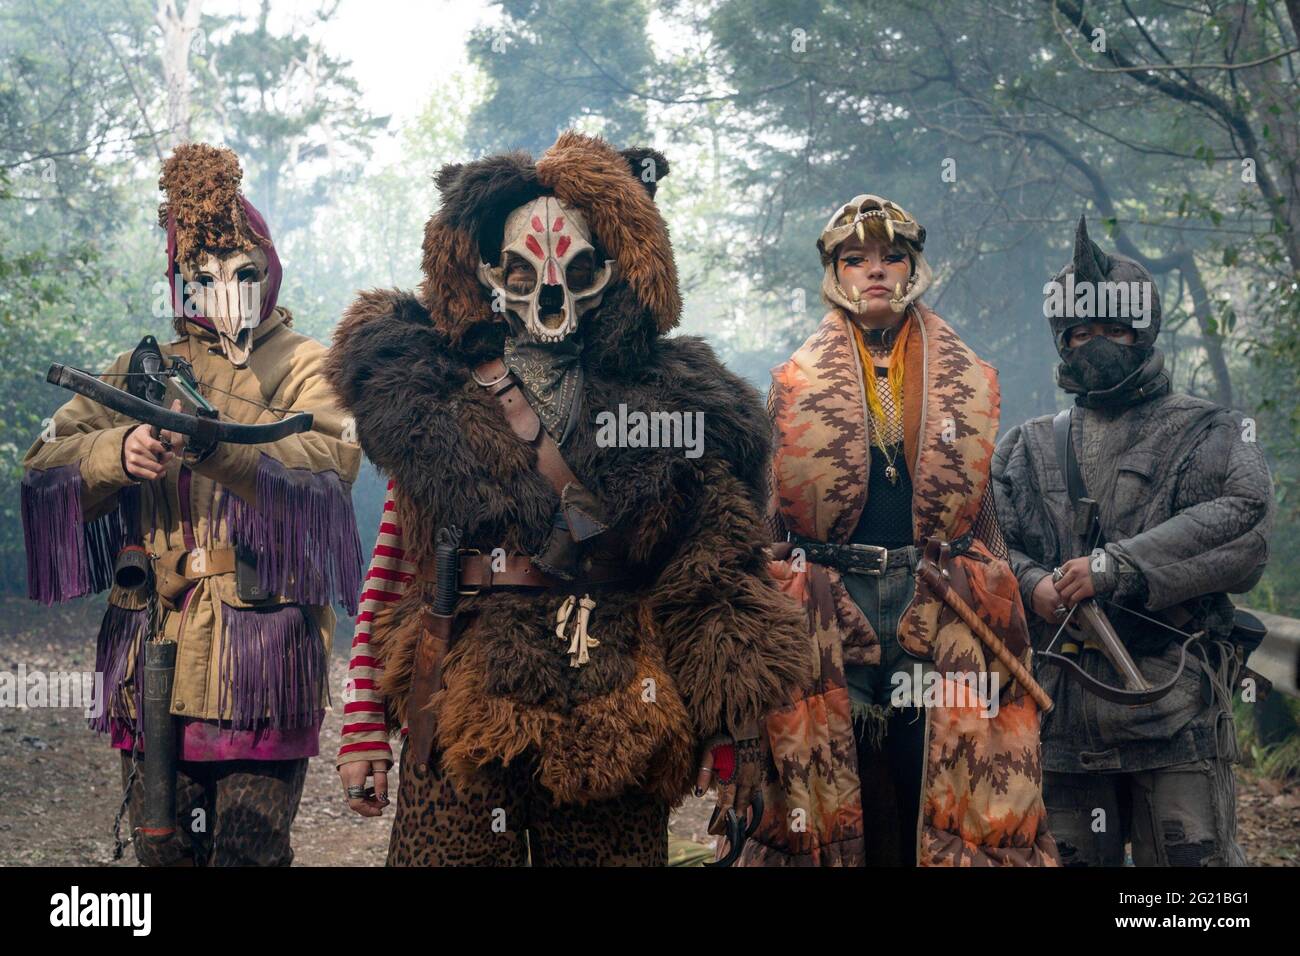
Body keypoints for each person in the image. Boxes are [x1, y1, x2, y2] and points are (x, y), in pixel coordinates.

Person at [330, 131, 809, 866]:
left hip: (615, 692)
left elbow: (715, 578)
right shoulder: (427, 392)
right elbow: (396, 567)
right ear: (494, 276)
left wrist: (735, 739)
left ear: (610, 273)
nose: (550, 293)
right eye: (526, 273)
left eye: (576, 269)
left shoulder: (681, 401)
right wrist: (364, 725)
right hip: (460, 690)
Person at [21, 143, 363, 866]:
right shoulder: (137, 369)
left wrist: (218, 449)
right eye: (200, 275)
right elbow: (41, 464)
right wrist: (117, 453)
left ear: (269, 268)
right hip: (153, 642)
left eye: (243, 271)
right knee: (160, 853)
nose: (224, 290)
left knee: (249, 851)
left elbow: (332, 467)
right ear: (178, 280)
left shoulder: (307, 365)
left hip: (262, 652)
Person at [734, 194, 1058, 866]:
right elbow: (769, 517)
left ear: (914, 270)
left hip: (936, 596)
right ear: (835, 272)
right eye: (856, 259)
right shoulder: (790, 385)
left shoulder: (967, 377)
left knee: (938, 780)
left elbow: (981, 509)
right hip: (826, 601)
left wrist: (1009, 616)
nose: (874, 271)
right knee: (820, 776)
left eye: (892, 258)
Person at [992, 216, 1274, 866]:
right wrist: (1032, 585)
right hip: (1061, 720)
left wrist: (1117, 567)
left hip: (1173, 719)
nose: (1094, 344)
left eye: (1112, 328)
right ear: (1060, 339)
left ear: (1142, 331)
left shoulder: (1217, 432)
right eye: (1079, 331)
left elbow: (1244, 528)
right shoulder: (1027, 446)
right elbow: (988, 544)